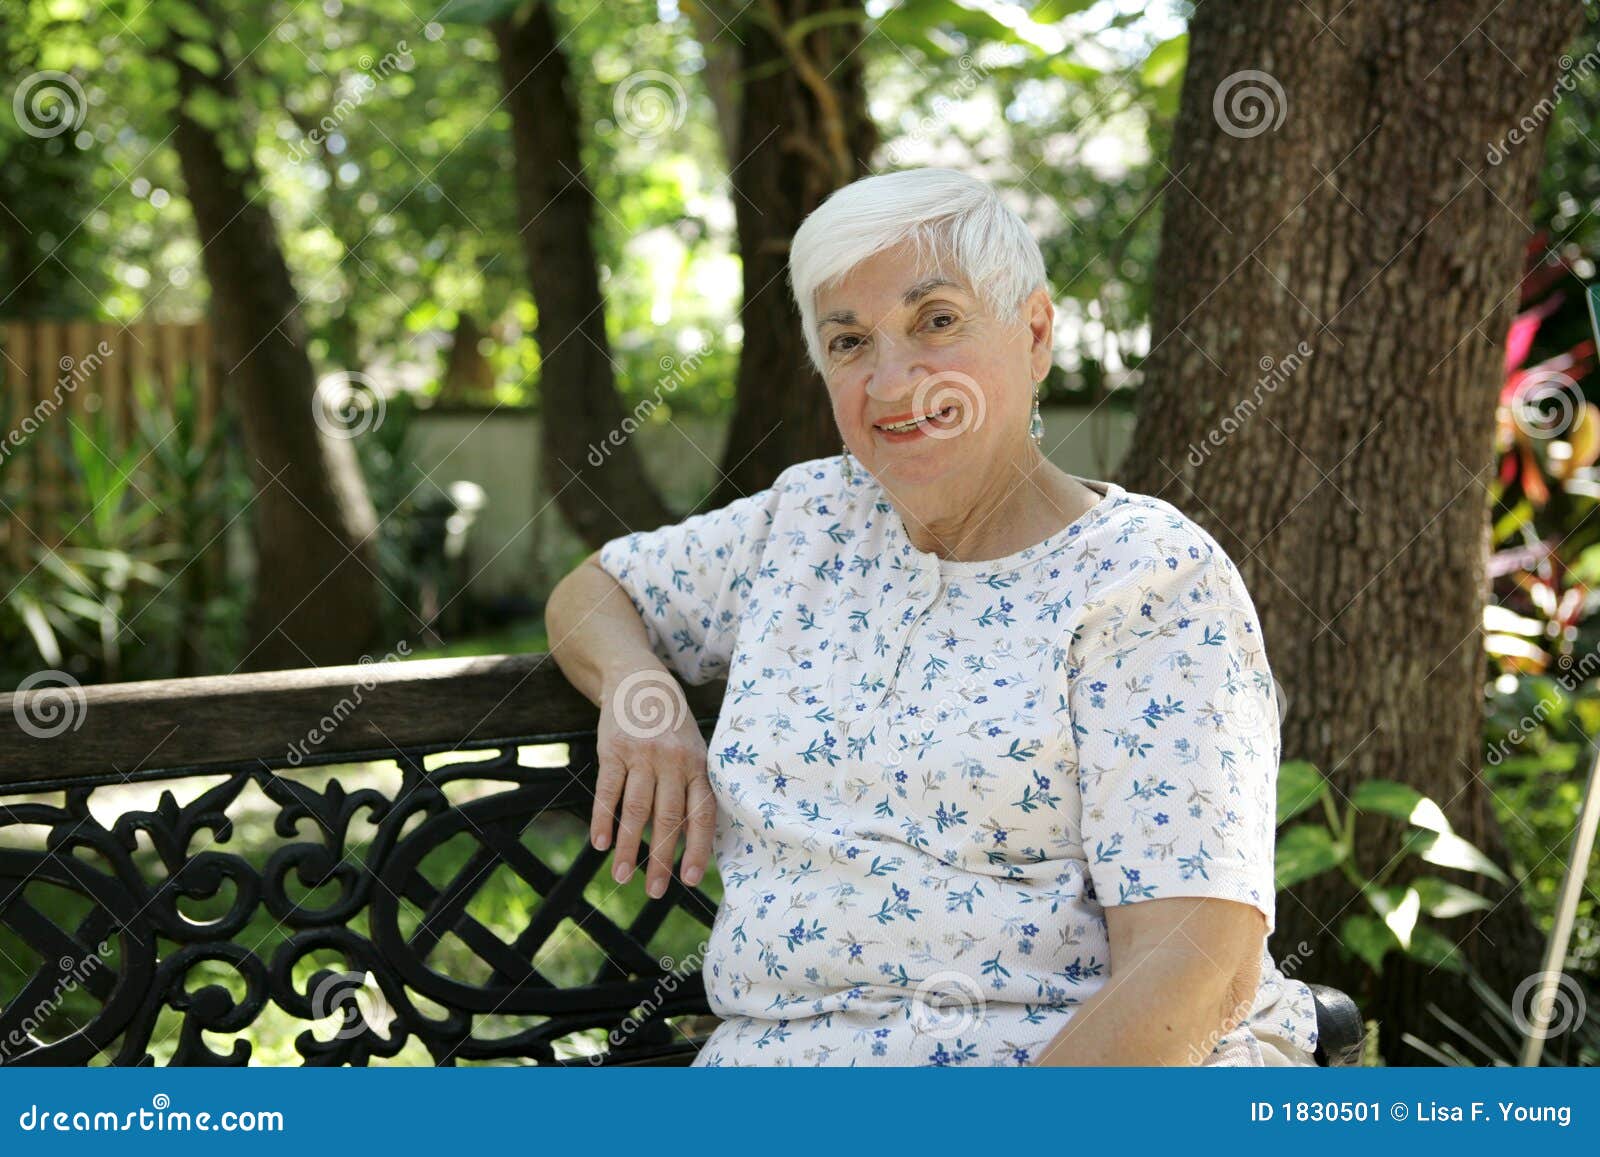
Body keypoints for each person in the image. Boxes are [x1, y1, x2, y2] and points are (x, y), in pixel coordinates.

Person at [545, 167, 1318, 1066]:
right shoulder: (804, 521)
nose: (892, 379)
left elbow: (1196, 967)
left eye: (936, 321)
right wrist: (640, 690)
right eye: (848, 341)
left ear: (1033, 334)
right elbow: (594, 590)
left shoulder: (1147, 581)